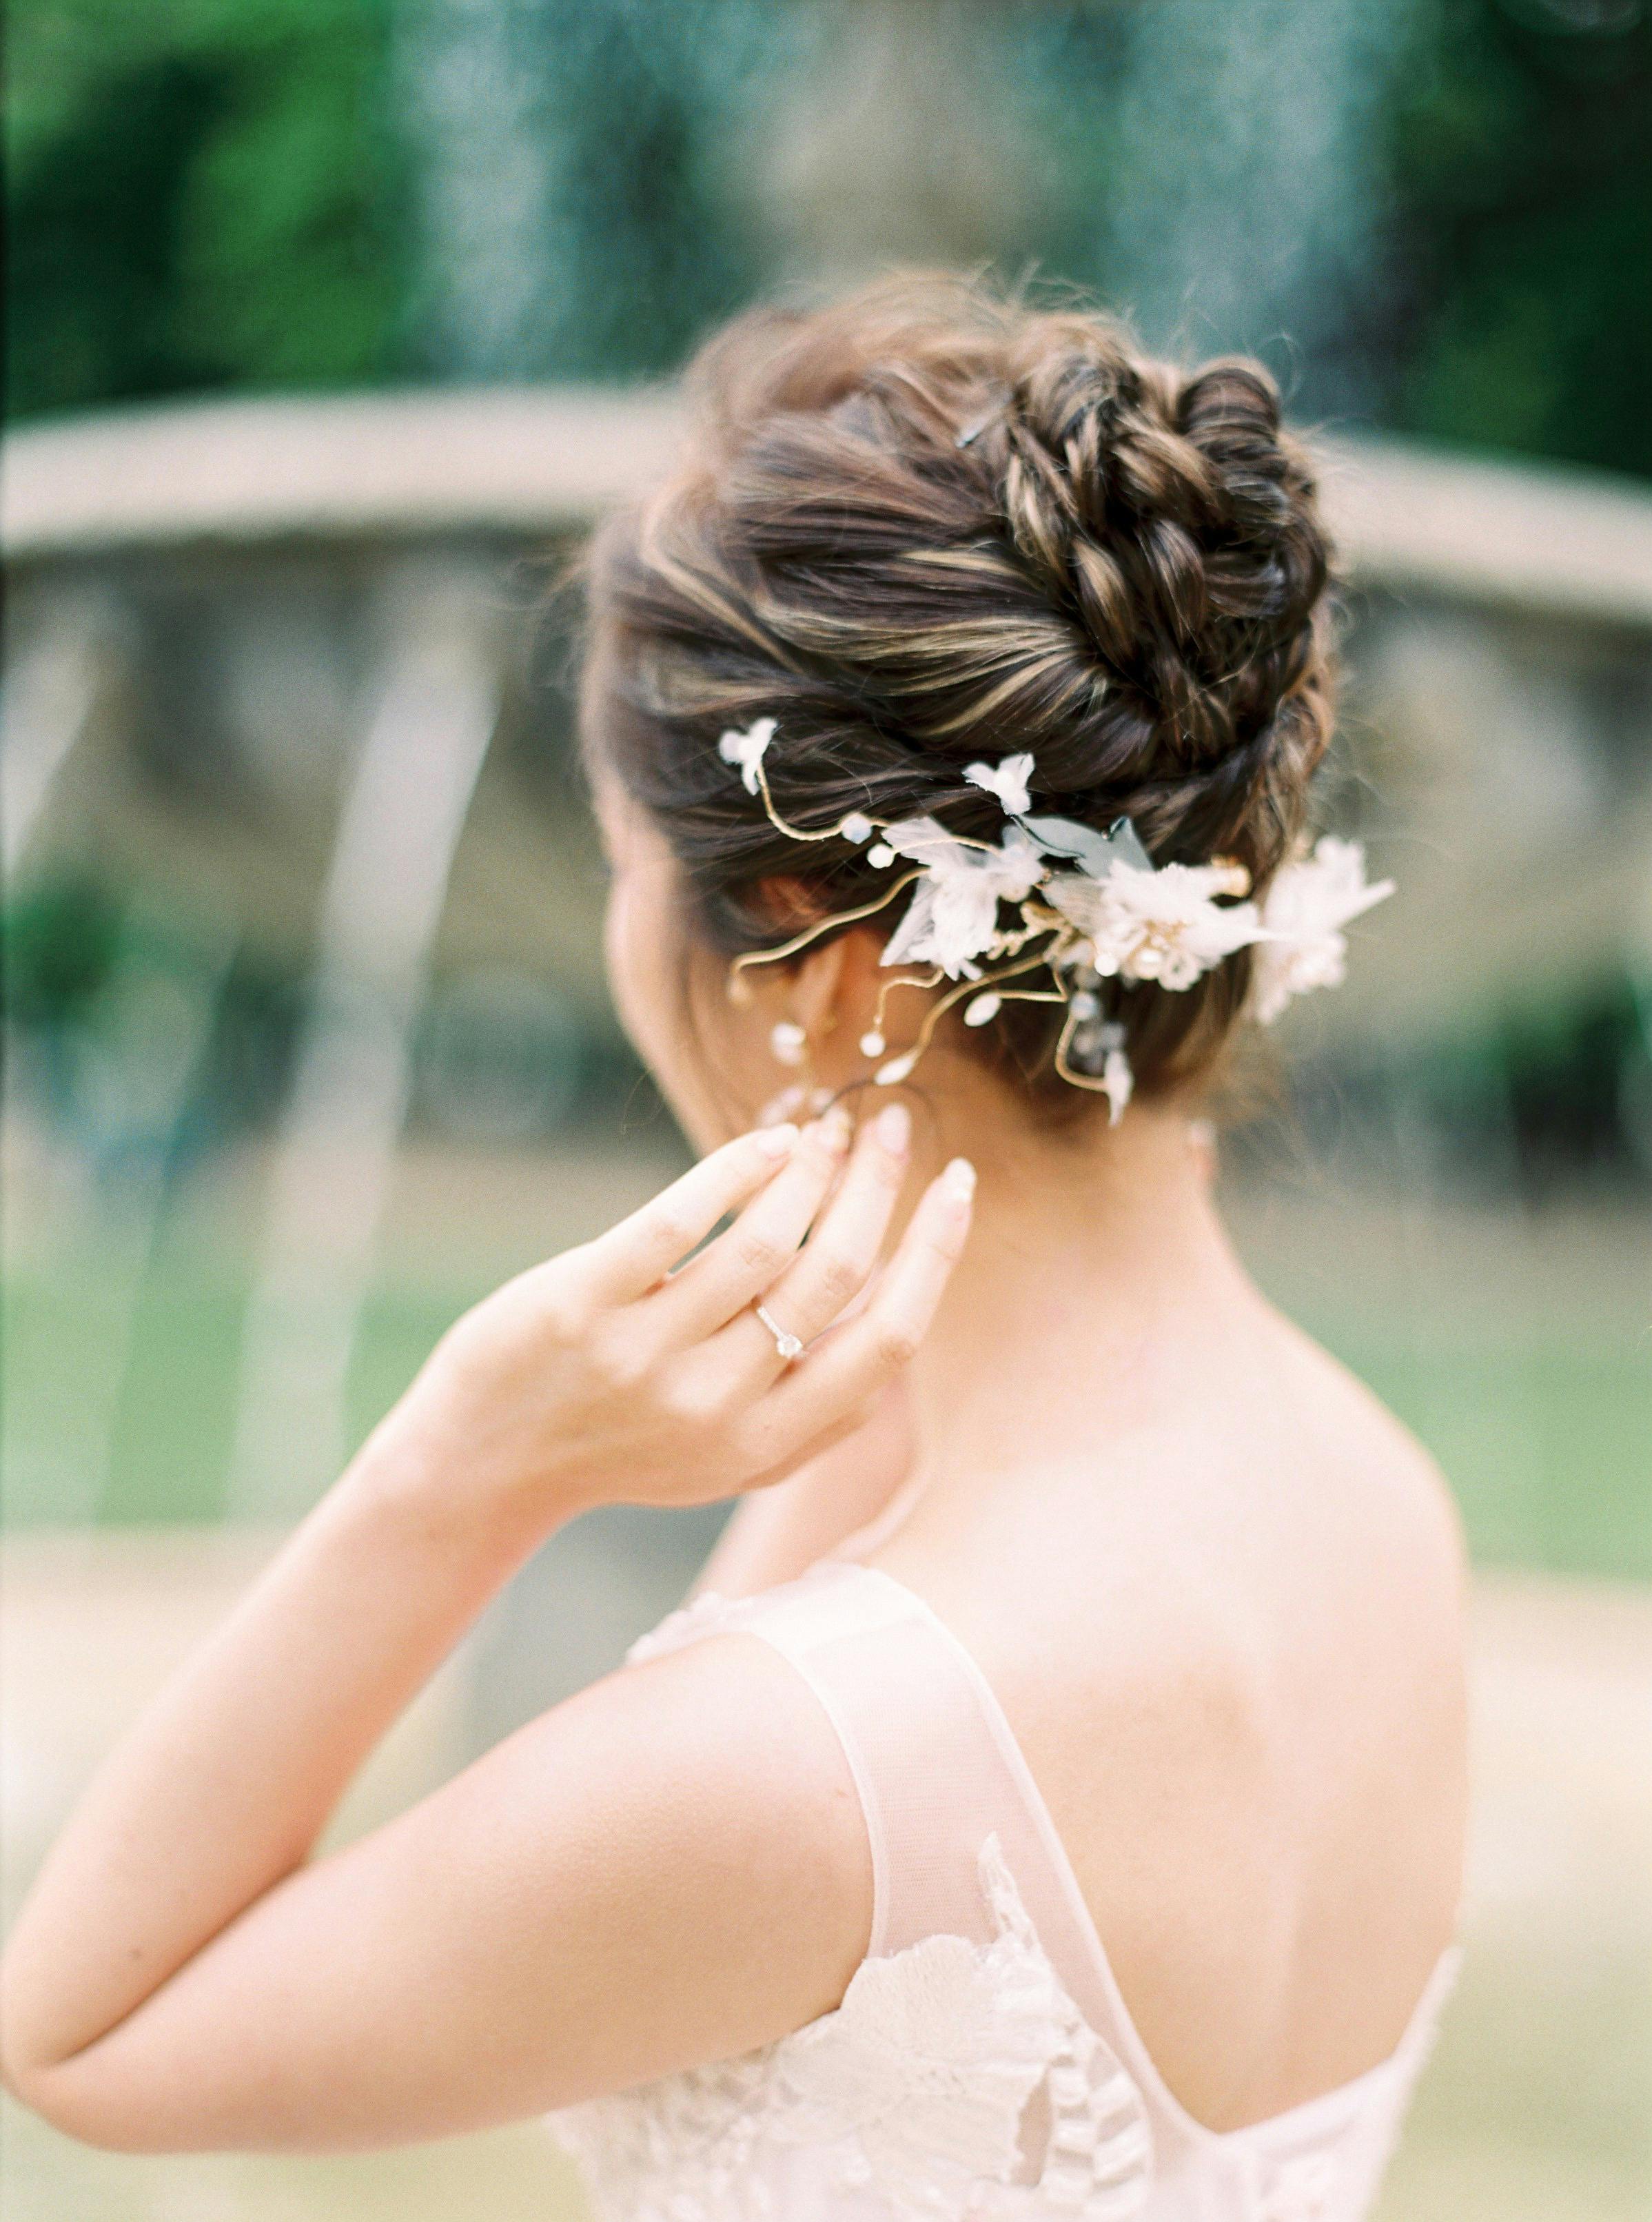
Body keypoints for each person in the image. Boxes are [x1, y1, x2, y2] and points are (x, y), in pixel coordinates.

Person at [0, 278, 1467, 2221]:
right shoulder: (1381, 1497)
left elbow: (84, 2032)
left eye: (627, 865)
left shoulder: (801, 1762)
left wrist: (456, 1464)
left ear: (822, 962)